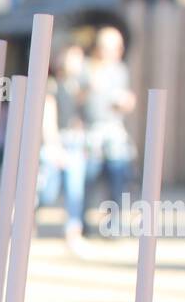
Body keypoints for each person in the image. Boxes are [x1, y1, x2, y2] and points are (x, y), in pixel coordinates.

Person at [81, 26, 136, 237]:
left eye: (118, 47)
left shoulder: (120, 70)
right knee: (89, 177)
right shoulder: (87, 68)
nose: (115, 51)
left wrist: (126, 102)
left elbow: (123, 100)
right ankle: (82, 222)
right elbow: (75, 98)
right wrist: (90, 88)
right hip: (91, 129)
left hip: (114, 129)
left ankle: (112, 223)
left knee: (118, 176)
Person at [39, 43, 89, 248]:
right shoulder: (52, 85)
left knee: (75, 190)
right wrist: (54, 146)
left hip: (75, 144)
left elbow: (81, 117)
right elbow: (48, 116)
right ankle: (28, 212)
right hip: (56, 142)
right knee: (48, 192)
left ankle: (73, 232)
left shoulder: (79, 87)